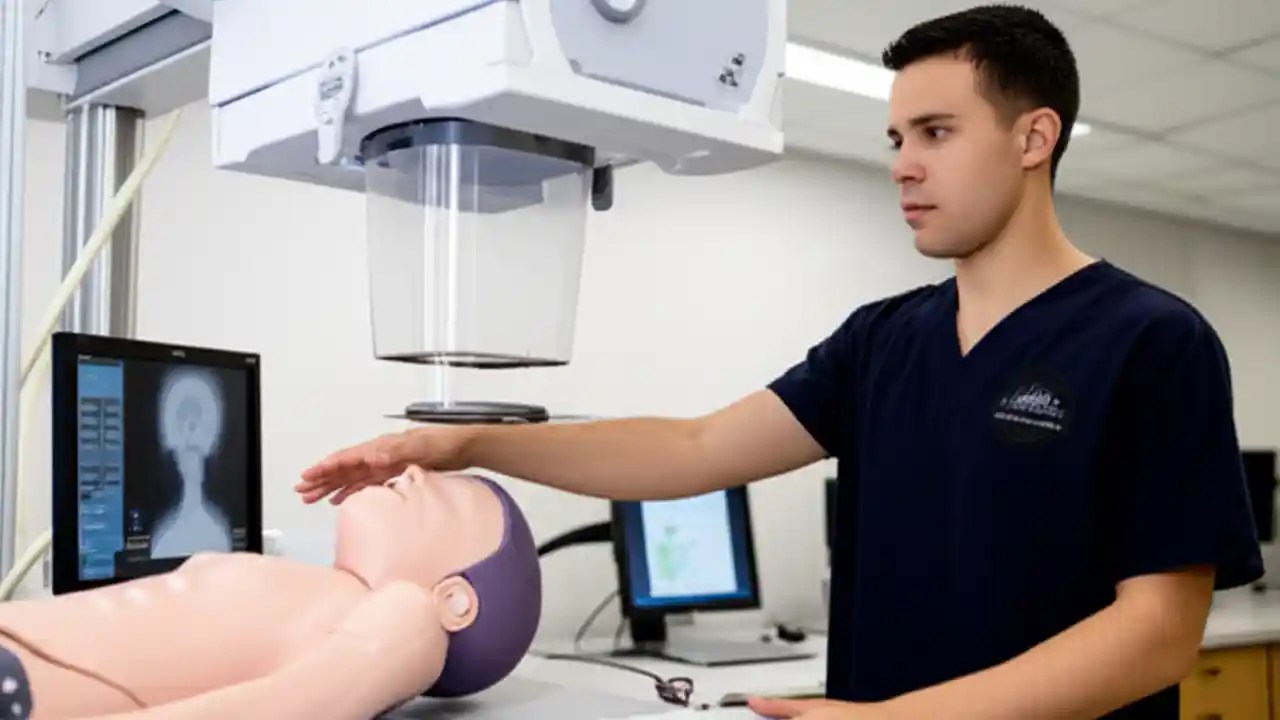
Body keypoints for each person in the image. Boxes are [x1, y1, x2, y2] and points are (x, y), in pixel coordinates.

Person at [296, 5, 1263, 719]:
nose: (902, 164)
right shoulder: (883, 341)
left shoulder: (1149, 340)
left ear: (1034, 138)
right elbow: (694, 447)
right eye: (895, 137)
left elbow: (1157, 637)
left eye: (935, 133)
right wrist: (467, 443)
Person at [0, 467, 541, 720]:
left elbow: (289, 707)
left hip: (26, 683)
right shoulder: (325, 595)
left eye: (450, 497)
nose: (418, 470)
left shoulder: (402, 624)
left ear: (454, 602)